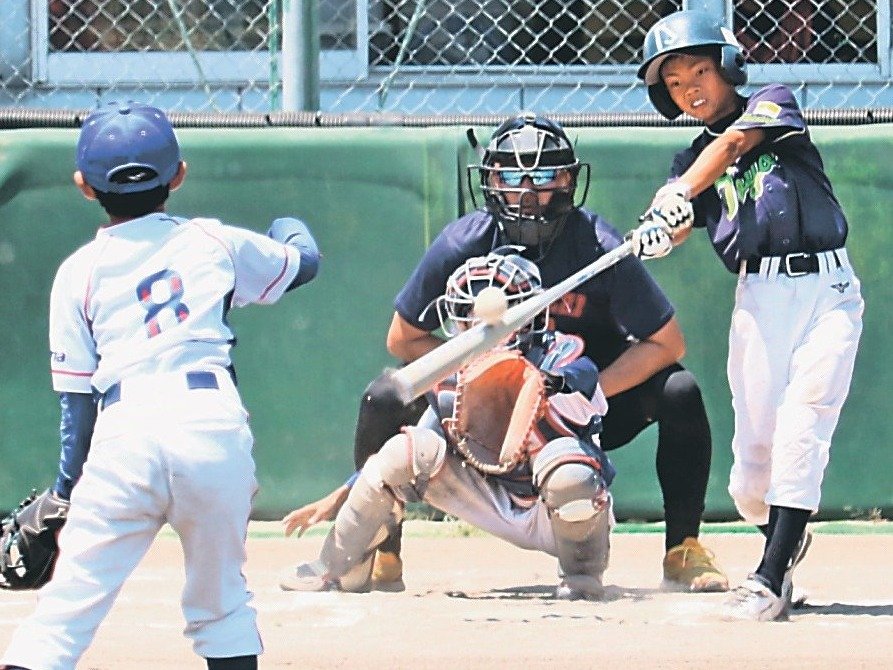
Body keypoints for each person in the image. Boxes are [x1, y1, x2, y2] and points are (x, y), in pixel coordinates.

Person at [283, 111, 729, 594]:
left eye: (544, 174)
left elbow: (667, 343)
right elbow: (404, 337)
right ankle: (383, 552)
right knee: (385, 397)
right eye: (513, 175)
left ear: (568, 179)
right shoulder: (464, 243)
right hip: (487, 403)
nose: (528, 190)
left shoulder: (596, 245)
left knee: (679, 389)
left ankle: (683, 549)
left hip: (580, 402)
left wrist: (573, 391)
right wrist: (480, 378)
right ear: (491, 180)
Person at [0, 101, 321, 670]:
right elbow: (305, 262)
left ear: (83, 186)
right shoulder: (213, 241)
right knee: (222, 607)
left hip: (127, 431)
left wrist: (65, 492)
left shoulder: (78, 271)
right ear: (178, 175)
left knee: (61, 620)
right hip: (211, 426)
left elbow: (77, 403)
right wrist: (287, 226)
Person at [638, 10, 864, 621]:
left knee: (802, 426)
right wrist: (663, 228)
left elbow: (733, 144)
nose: (692, 88)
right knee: (753, 472)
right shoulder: (687, 162)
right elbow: (684, 222)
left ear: (728, 67)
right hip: (758, 300)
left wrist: (677, 192)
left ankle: (767, 579)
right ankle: (785, 550)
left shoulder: (771, 104)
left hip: (825, 291)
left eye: (702, 70)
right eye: (677, 82)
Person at [283, 250, 616, 599]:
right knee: (403, 451)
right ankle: (340, 567)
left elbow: (585, 375)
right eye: (470, 314)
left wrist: (548, 381)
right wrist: (340, 496)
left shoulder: (560, 355)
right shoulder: (455, 370)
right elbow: (415, 447)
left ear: (530, 315)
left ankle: (582, 579)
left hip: (562, 516)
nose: (482, 325)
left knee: (567, 469)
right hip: (488, 498)